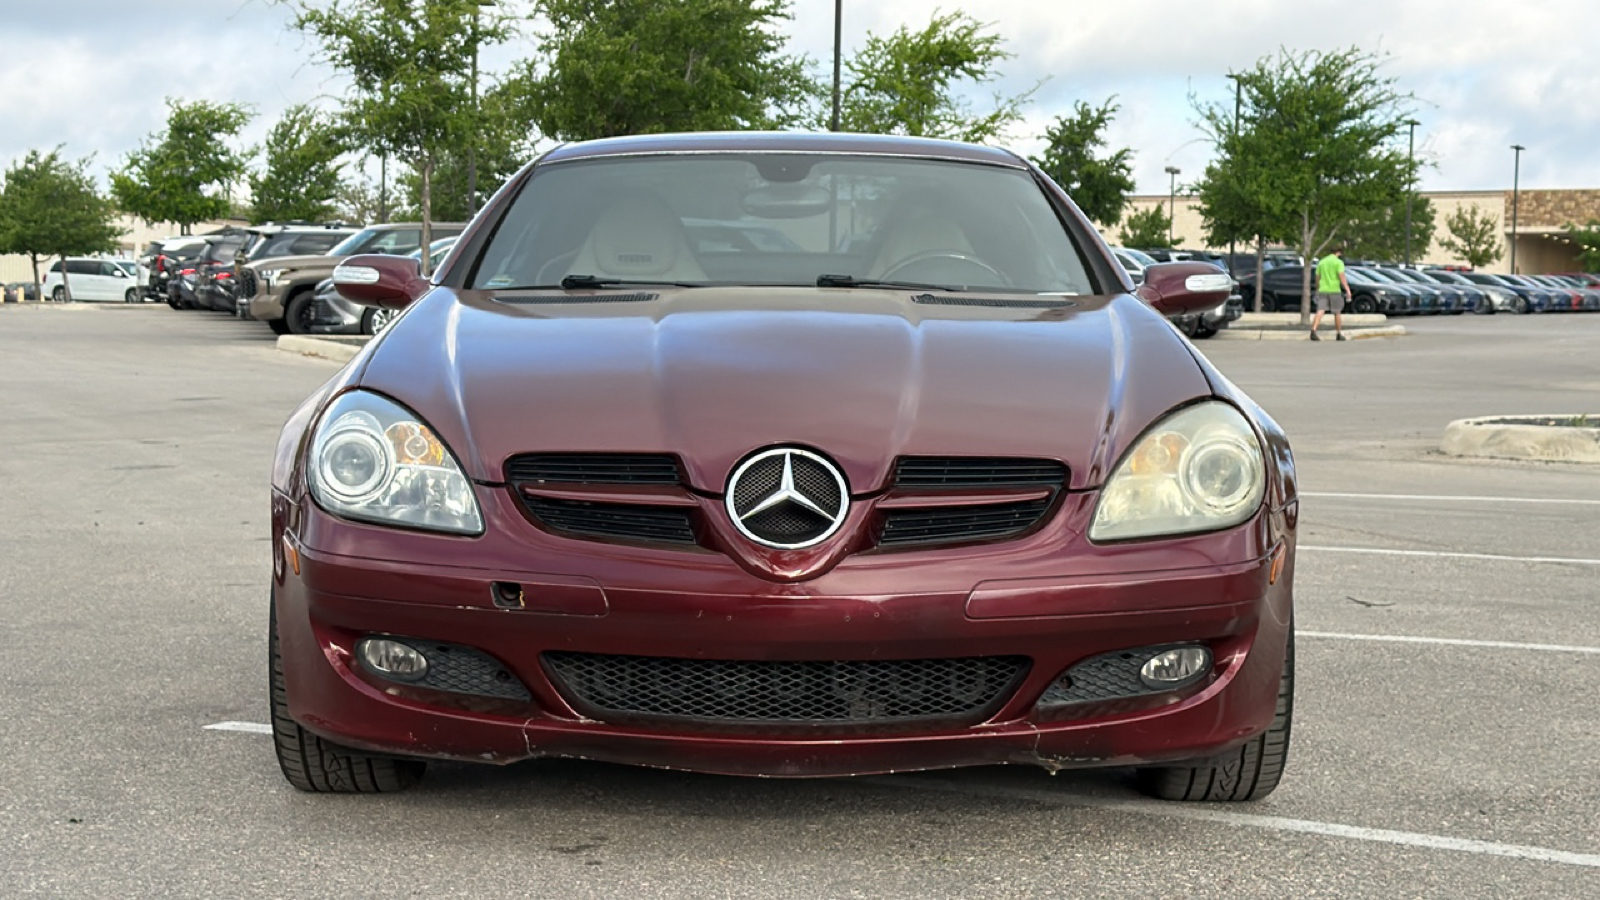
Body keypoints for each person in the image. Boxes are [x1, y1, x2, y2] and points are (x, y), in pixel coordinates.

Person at [1310, 246, 1351, 341]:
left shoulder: (1322, 262)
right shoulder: (1338, 262)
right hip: (1334, 290)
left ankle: (1313, 330)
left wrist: (1317, 287)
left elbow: (1317, 277)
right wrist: (1347, 289)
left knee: (1320, 310)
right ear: (1338, 252)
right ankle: (1338, 333)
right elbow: (1341, 276)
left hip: (1323, 289)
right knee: (1337, 312)